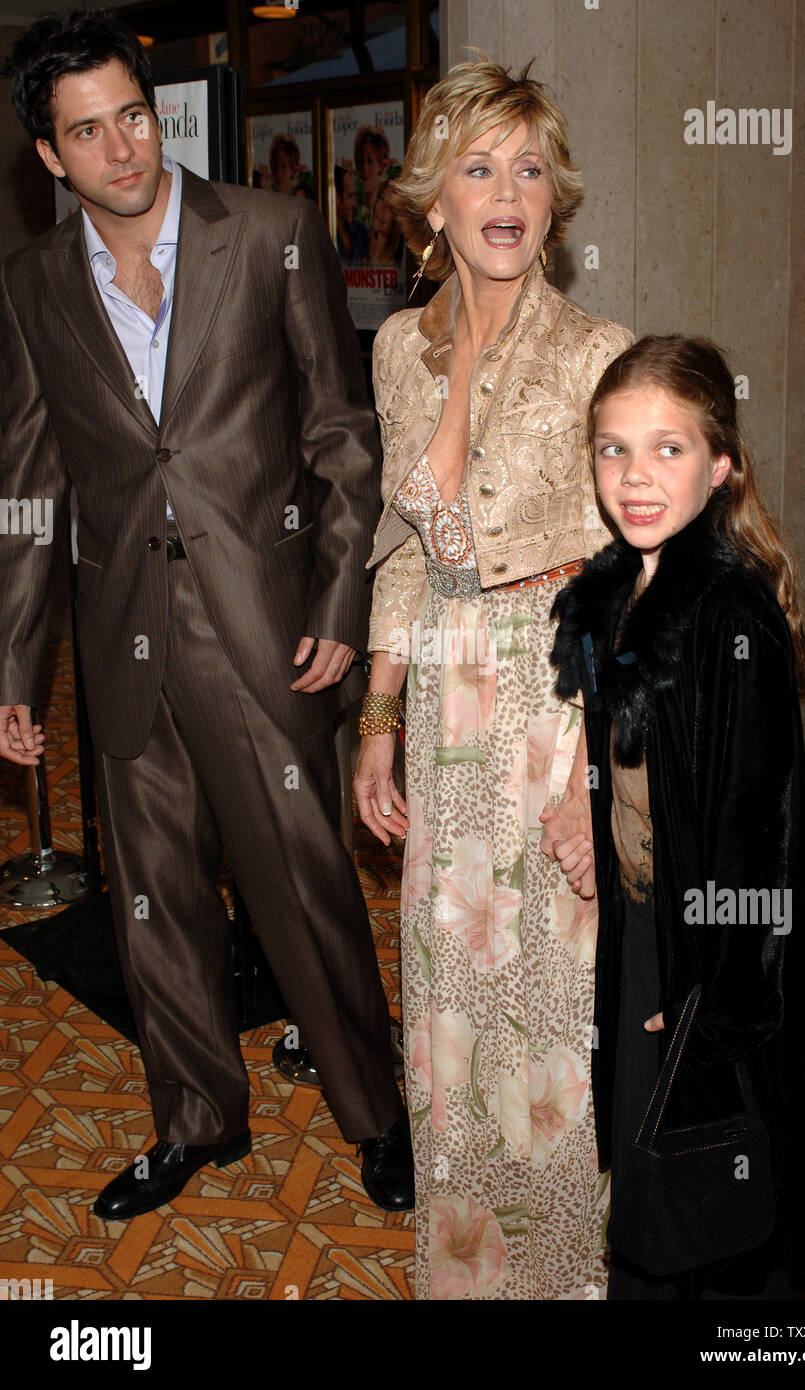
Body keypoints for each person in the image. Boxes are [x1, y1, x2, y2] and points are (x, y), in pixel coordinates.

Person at [0, 9, 412, 1220]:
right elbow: (26, 491)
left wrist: (340, 598)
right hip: (120, 635)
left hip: (263, 627)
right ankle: (195, 1118)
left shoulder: (274, 233)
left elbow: (343, 438)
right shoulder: (30, 286)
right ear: (49, 158)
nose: (124, 149)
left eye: (134, 115)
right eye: (89, 132)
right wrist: (14, 670)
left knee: (303, 886)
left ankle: (377, 1114)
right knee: (153, 899)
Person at [353, 56, 632, 1300]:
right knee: (456, 1002)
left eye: (529, 169)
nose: (507, 193)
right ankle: (473, 1276)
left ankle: (572, 1274)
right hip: (446, 705)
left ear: (553, 197)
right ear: (433, 204)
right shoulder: (399, 358)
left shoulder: (598, 355)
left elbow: (634, 583)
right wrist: (375, 722)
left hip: (555, 695)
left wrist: (602, 771)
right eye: (479, 168)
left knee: (557, 1005)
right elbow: (409, 549)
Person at [549, 335, 805, 1299]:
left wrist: (711, 1003)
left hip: (711, 956)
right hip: (648, 922)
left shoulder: (726, 618)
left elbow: (755, 840)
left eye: (667, 449)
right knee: (651, 1152)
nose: (634, 476)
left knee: (715, 1165)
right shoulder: (625, 587)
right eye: (612, 448)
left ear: (720, 465)